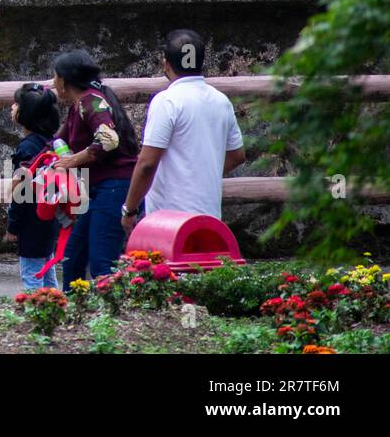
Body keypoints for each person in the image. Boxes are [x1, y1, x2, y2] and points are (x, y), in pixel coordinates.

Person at [121, 29, 247, 231]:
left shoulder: (166, 101)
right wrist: (200, 174)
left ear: (166, 63)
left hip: (168, 220)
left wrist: (130, 209)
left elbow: (147, 163)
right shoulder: (222, 101)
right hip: (210, 216)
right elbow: (237, 155)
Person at [50, 50, 139, 285]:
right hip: (101, 190)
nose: (53, 83)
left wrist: (72, 161)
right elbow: (58, 140)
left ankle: (110, 318)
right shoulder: (79, 105)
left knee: (102, 262)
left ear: (64, 80)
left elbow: (109, 140)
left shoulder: (92, 102)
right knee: (73, 257)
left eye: (55, 77)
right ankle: (75, 315)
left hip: (115, 187)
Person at [7, 83, 62, 291]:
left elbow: (22, 191)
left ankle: (34, 312)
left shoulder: (26, 148)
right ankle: (55, 308)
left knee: (31, 275)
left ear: (26, 114)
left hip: (30, 221)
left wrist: (13, 225)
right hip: (50, 217)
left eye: (16, 104)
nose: (12, 107)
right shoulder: (53, 143)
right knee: (47, 271)